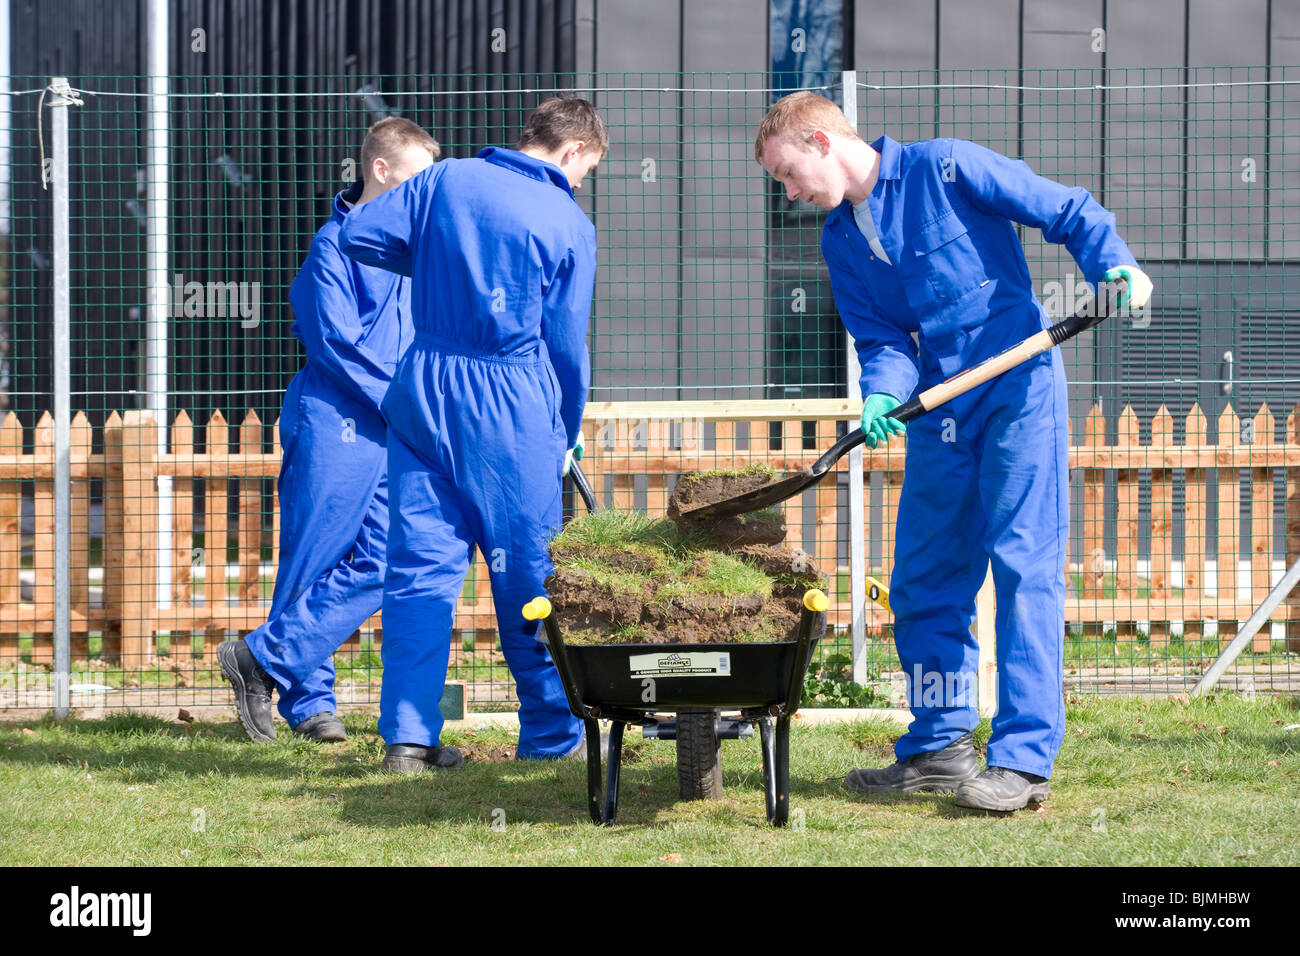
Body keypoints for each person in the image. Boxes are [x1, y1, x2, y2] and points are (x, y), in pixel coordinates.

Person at [754, 92, 1153, 811]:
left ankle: (1024, 762)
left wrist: (1112, 263)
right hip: (939, 410)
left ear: (820, 140)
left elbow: (1063, 208)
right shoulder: (840, 241)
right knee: (923, 580)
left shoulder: (946, 167)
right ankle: (940, 747)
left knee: (1023, 565)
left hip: (1017, 390)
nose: (792, 194)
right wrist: (880, 394)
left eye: (788, 175)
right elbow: (881, 340)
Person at [338, 97, 605, 771]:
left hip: (423, 385)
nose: (582, 185)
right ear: (574, 152)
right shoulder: (568, 221)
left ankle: (407, 739)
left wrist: (438, 267)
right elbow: (567, 348)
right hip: (508, 403)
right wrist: (565, 427)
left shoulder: (442, 178)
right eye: (587, 171)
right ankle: (549, 738)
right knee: (525, 572)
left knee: (419, 573)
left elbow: (358, 235)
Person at [218, 118, 439, 743]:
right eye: (419, 179)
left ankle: (263, 658)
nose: (427, 196)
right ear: (381, 170)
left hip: (397, 425)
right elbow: (334, 343)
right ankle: (310, 703)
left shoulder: (419, 254)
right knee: (314, 560)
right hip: (339, 420)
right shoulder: (332, 248)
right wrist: (405, 401)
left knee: (390, 556)